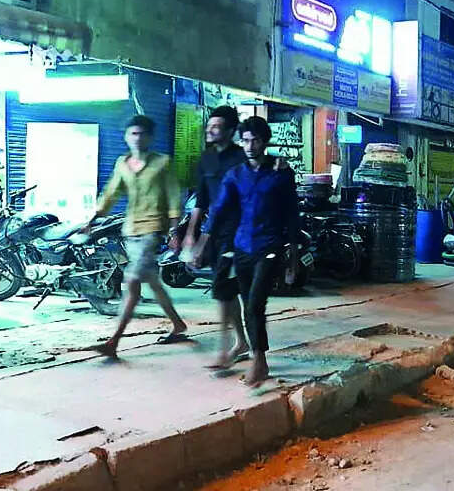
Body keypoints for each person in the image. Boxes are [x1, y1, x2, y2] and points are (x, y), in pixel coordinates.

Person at [193, 116, 299, 387]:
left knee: (255, 305)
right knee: (246, 303)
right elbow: (218, 210)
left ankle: (258, 360)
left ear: (265, 142)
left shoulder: (280, 173)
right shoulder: (235, 175)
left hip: (270, 246)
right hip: (242, 247)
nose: (250, 146)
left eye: (255, 140)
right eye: (245, 141)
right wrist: (202, 242)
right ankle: (256, 357)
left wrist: (293, 255)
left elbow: (291, 213)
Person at [90, 115, 188, 359]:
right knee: (153, 282)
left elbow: (174, 198)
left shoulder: (163, 163)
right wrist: (91, 221)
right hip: (130, 230)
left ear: (150, 137)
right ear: (126, 137)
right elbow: (110, 194)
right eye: (133, 133)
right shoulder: (122, 164)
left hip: (152, 230)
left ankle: (114, 340)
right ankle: (178, 324)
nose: (137, 138)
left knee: (132, 281)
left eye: (142, 134)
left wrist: (174, 231)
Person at [182, 105, 250, 370]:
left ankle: (224, 349)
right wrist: (191, 234)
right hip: (214, 232)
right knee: (226, 290)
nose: (210, 130)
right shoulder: (206, 159)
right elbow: (201, 199)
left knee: (225, 288)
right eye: (209, 126)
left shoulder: (242, 158)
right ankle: (240, 343)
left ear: (231, 131)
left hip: (239, 232)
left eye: (217, 127)